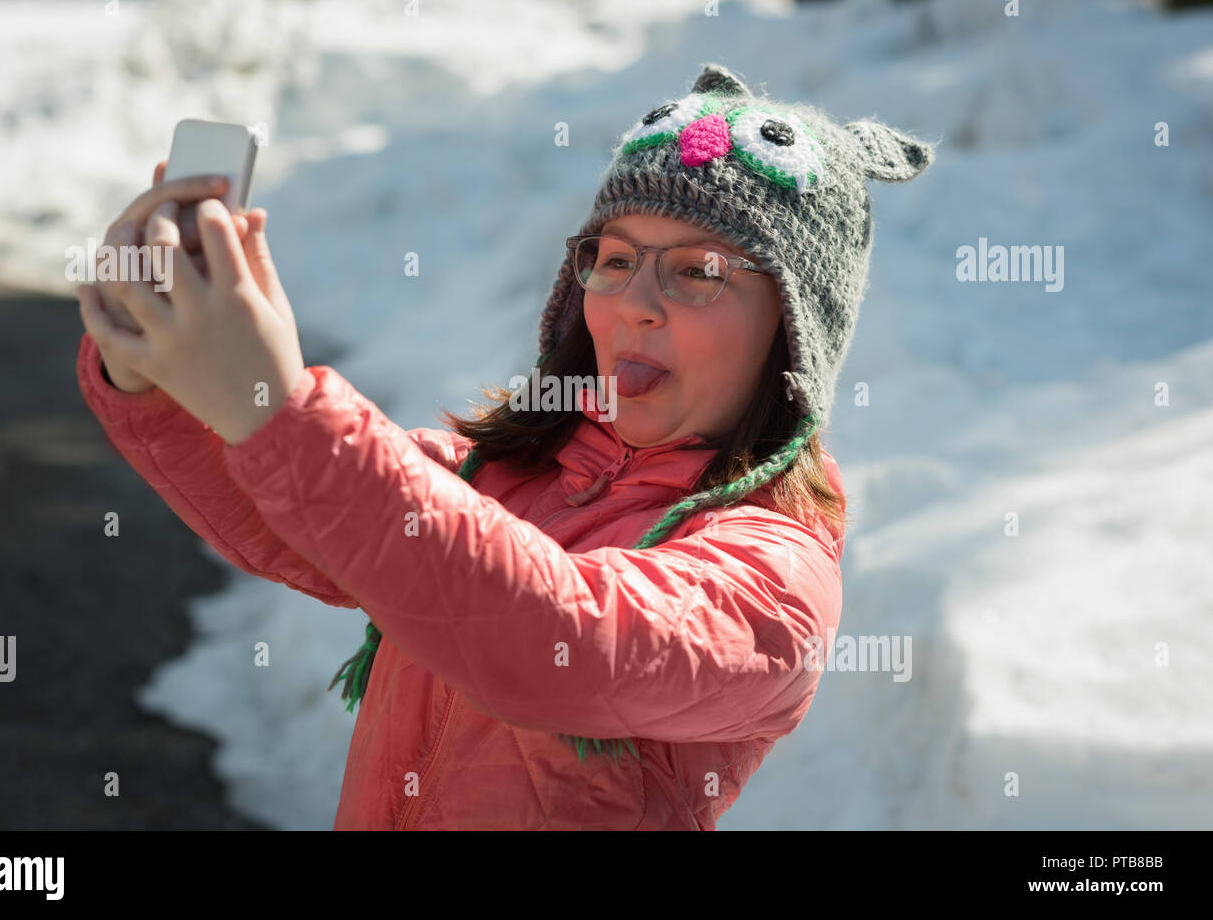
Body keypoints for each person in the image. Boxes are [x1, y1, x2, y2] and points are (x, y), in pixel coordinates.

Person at [73, 63, 935, 829]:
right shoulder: (507, 476)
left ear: (792, 328)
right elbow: (299, 513)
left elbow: (559, 632)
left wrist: (280, 406)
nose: (633, 302)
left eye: (699, 271)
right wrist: (148, 365)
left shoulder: (775, 580)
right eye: (615, 258)